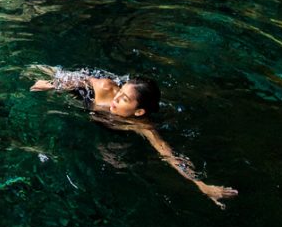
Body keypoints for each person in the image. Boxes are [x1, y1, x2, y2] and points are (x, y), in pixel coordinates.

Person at [29, 66, 238, 207]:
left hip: (106, 124)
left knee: (114, 160)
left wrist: (201, 185)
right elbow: (75, 79)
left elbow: (169, 153)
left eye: (124, 100)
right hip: (83, 97)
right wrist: (51, 85)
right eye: (120, 93)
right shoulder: (106, 89)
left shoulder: (141, 125)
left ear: (138, 112)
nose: (116, 100)